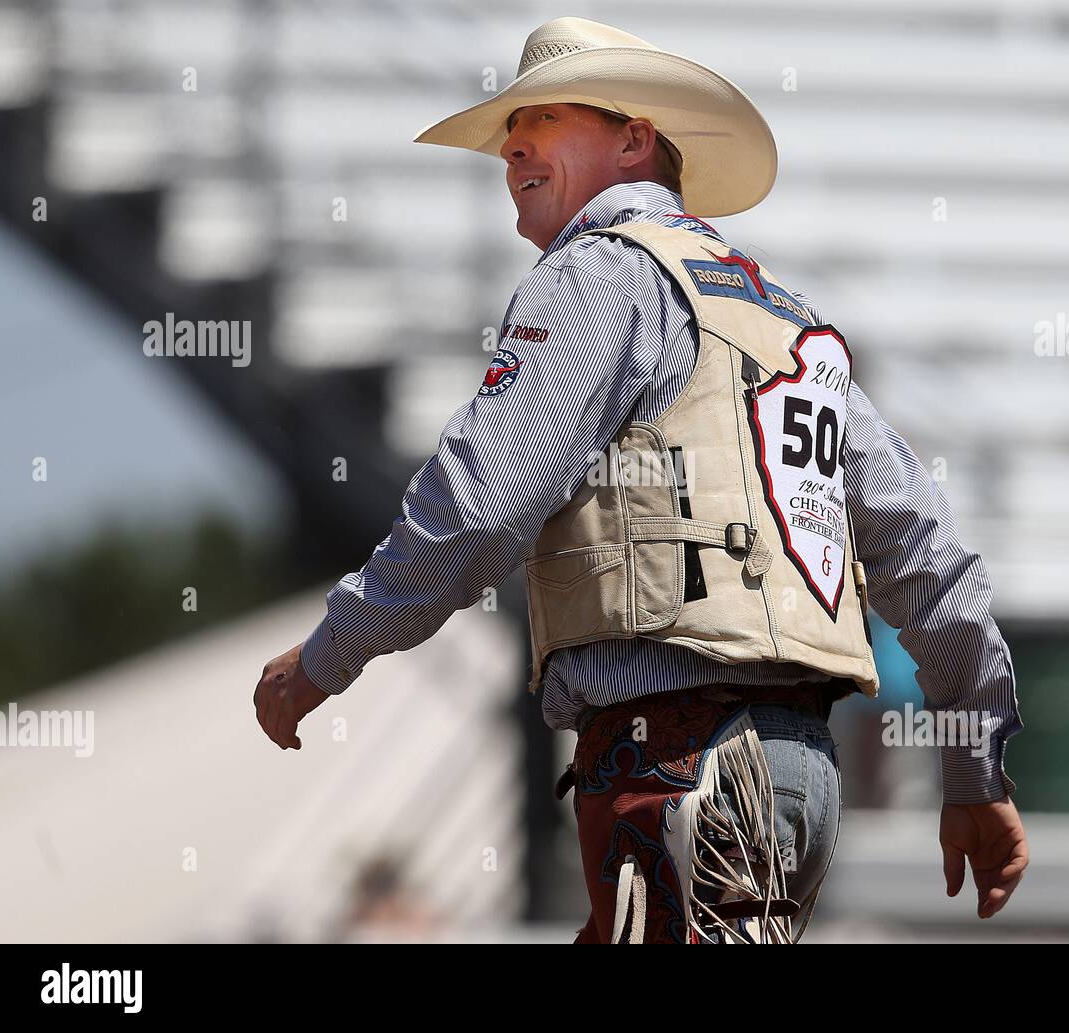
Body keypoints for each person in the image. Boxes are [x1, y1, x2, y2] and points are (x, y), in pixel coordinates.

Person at [253, 16, 1027, 943]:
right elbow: (927, 557)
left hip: (679, 765)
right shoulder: (785, 322)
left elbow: (479, 506)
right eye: (510, 131)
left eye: (544, 119)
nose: (515, 146)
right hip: (794, 773)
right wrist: (976, 771)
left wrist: (329, 654)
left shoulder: (594, 276)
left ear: (634, 141)